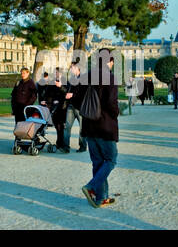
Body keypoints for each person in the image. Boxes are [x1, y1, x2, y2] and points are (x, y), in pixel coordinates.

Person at [79, 50, 121, 208]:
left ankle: (101, 198)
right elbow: (111, 104)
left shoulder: (86, 77)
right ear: (110, 61)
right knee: (110, 160)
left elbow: (76, 99)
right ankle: (91, 186)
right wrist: (116, 113)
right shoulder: (110, 78)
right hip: (105, 125)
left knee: (97, 162)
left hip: (89, 124)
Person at [41, 78, 70, 153]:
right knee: (58, 126)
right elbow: (47, 94)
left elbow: (67, 93)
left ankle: (61, 143)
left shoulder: (65, 82)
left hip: (63, 107)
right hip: (54, 108)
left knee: (61, 126)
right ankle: (59, 142)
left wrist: (60, 86)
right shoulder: (51, 84)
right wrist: (45, 100)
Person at [66, 61, 88, 152]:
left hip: (80, 107)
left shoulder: (83, 79)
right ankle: (65, 146)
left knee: (82, 128)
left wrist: (72, 95)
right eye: (71, 67)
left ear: (78, 68)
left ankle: (82, 146)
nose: (71, 69)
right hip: (71, 106)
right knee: (67, 127)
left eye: (72, 67)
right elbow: (68, 90)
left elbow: (84, 94)